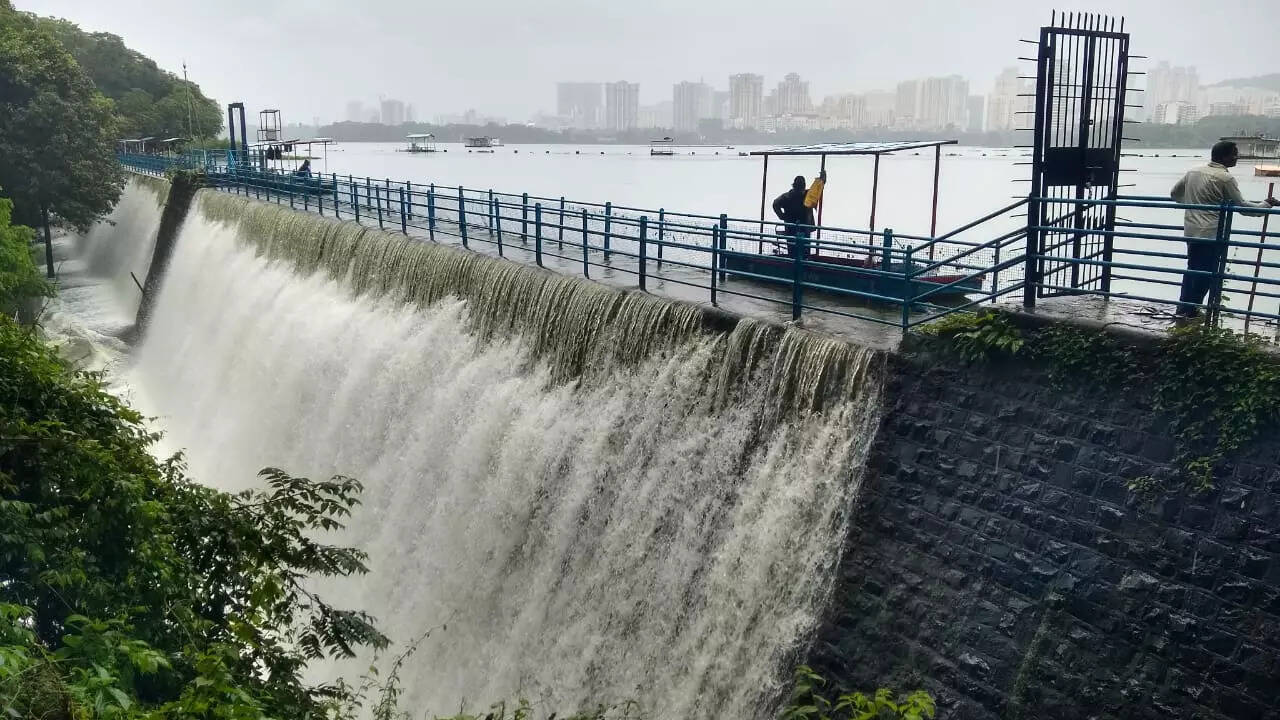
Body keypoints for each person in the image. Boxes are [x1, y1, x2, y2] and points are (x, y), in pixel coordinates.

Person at [1170, 140, 1278, 317]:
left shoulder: (1193, 171)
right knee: (1205, 274)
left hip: (1191, 230)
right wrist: (1266, 204)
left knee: (1192, 270)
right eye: (1234, 154)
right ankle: (1190, 311)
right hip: (1211, 233)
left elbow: (1174, 194)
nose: (1237, 157)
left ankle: (1184, 308)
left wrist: (1194, 204)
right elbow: (1243, 207)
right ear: (1224, 157)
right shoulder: (1225, 178)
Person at [771, 170, 826, 257]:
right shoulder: (804, 195)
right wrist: (781, 216)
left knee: (797, 250)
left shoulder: (788, 196)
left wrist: (782, 216)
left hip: (798, 227)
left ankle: (798, 264)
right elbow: (775, 204)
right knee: (801, 250)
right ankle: (801, 265)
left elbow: (775, 204)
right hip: (800, 227)